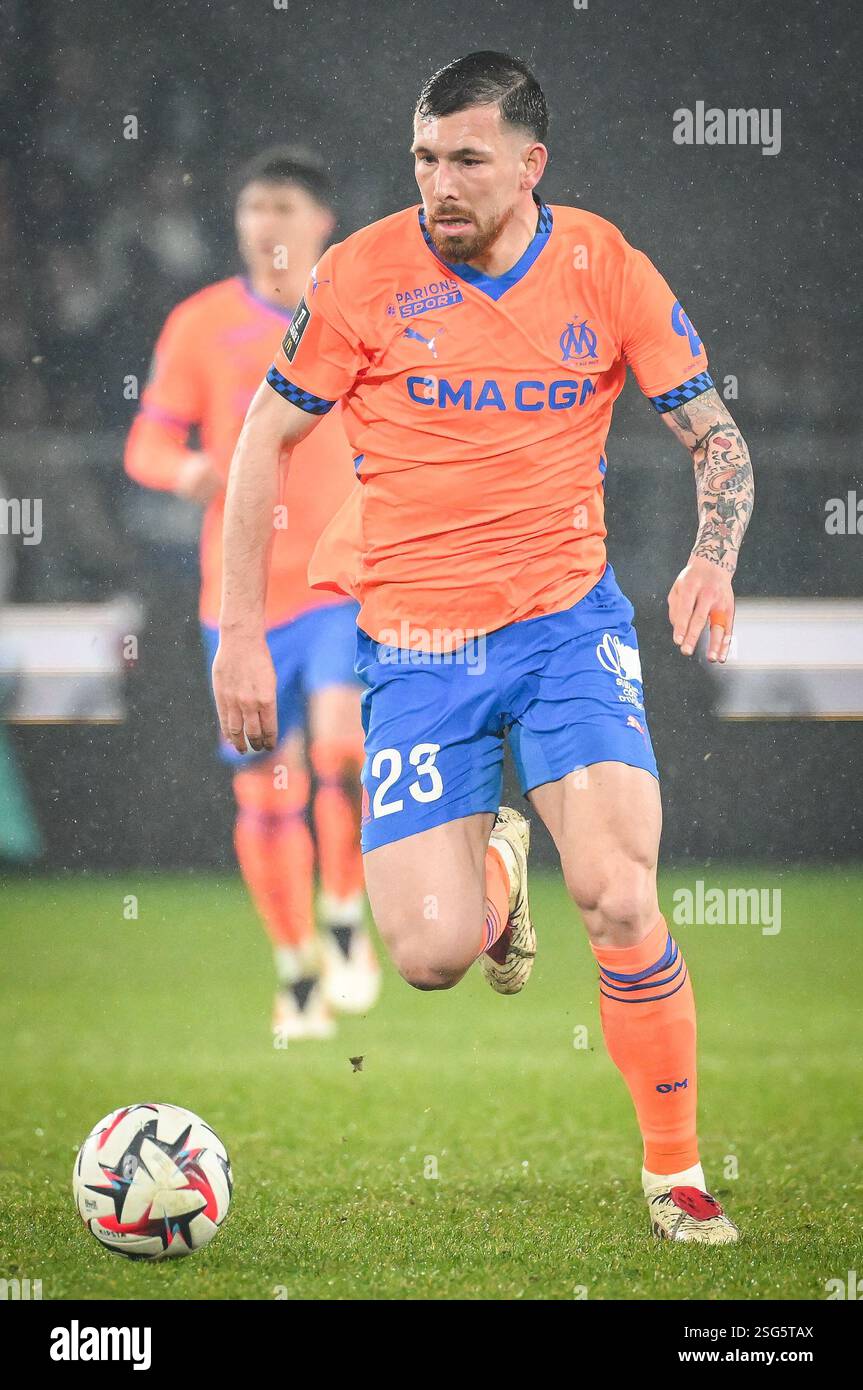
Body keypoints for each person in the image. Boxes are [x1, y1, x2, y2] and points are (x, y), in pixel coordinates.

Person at [212, 55, 754, 1242]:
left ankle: (674, 1171)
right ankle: (494, 876)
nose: (436, 184)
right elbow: (263, 439)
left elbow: (712, 435)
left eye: (463, 159)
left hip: (566, 626)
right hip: (412, 641)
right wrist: (241, 628)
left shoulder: (601, 265)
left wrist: (712, 552)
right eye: (421, 158)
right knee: (426, 955)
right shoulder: (361, 274)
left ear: (527, 164)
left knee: (618, 894)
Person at [125, 147, 380, 1041]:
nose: (262, 223)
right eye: (249, 207)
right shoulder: (198, 324)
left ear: (320, 223)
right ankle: (294, 967)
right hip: (238, 606)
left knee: (341, 752)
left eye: (280, 206)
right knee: (268, 793)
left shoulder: (355, 316)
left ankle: (347, 907)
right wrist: (185, 466)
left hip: (338, 583)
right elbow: (145, 443)